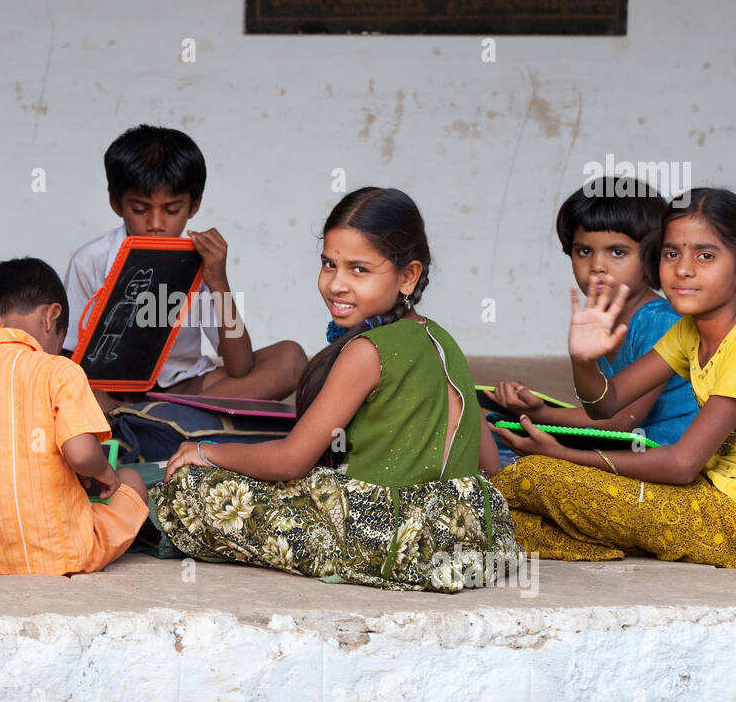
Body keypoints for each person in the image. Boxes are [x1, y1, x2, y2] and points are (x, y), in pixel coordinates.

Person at [150, 187, 522, 592]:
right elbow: (489, 463)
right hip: (467, 544)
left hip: (384, 541)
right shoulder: (444, 340)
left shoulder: (366, 351)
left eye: (359, 270)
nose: (336, 284)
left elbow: (291, 461)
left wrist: (206, 452)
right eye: (329, 264)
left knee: (191, 487)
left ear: (408, 276)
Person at [492, 187, 736, 568]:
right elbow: (606, 402)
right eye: (672, 253)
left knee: (531, 478)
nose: (683, 269)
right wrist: (583, 360)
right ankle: (594, 538)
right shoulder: (690, 331)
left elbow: (681, 464)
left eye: (705, 255)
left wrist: (564, 454)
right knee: (512, 512)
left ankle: (594, 536)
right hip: (717, 494)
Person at [0, 258, 149, 575]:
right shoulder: (59, 370)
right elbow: (82, 452)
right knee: (131, 480)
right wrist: (103, 471)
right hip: (62, 551)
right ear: (51, 316)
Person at [62, 124, 306, 410]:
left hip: (184, 386)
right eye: (140, 209)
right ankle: (167, 420)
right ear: (116, 204)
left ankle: (151, 419)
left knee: (291, 360)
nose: (155, 224)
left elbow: (240, 366)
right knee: (74, 392)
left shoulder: (200, 260)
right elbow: (67, 359)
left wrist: (218, 280)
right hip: (112, 394)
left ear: (194, 206)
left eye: (172, 210)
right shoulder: (90, 261)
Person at [489, 177, 698, 461]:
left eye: (617, 252)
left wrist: (539, 414)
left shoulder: (661, 321)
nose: (597, 266)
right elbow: (600, 411)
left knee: (528, 465)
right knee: (494, 428)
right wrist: (533, 409)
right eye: (584, 251)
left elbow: (622, 422)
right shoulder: (597, 321)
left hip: (661, 456)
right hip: (622, 447)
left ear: (653, 256)